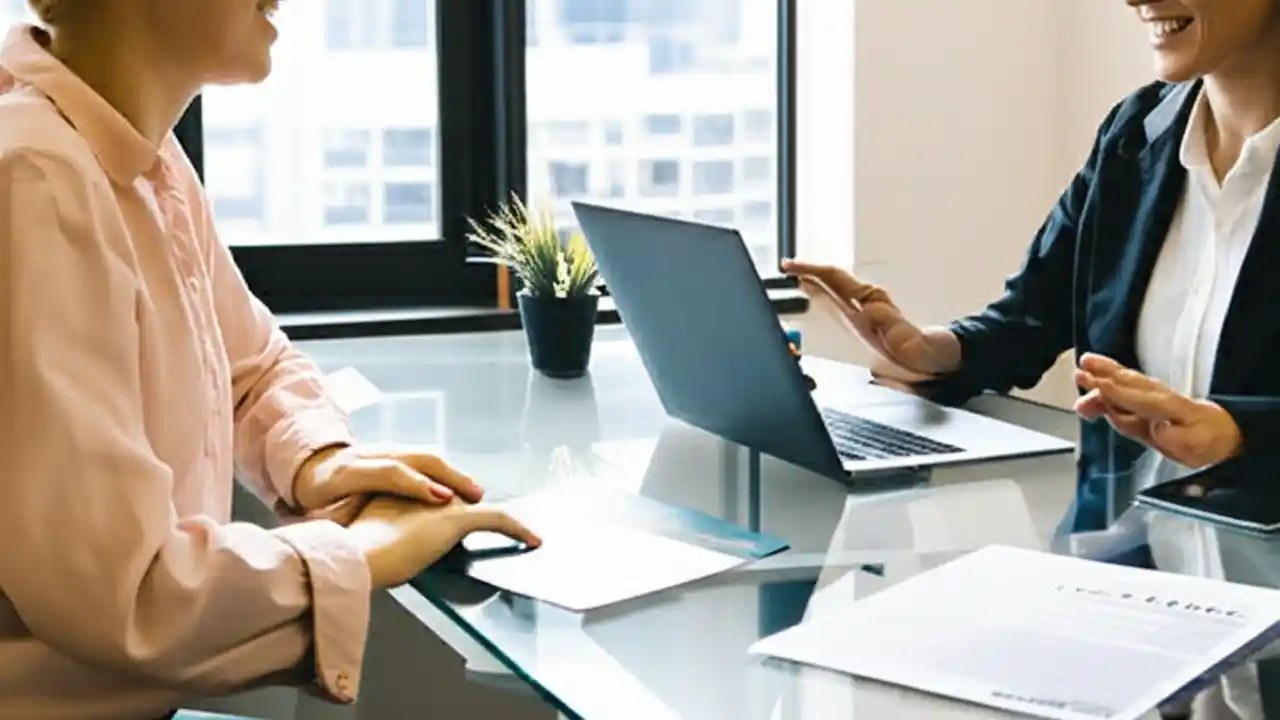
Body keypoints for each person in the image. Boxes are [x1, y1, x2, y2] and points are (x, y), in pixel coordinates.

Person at [0, 1, 541, 718]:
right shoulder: (35, 180)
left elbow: (248, 366)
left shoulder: (138, 157)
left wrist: (318, 459)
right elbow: (130, 599)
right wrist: (365, 550)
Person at [787, 0, 1280, 717]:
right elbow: (1029, 316)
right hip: (1130, 622)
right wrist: (934, 349)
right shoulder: (1133, 134)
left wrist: (1237, 432)